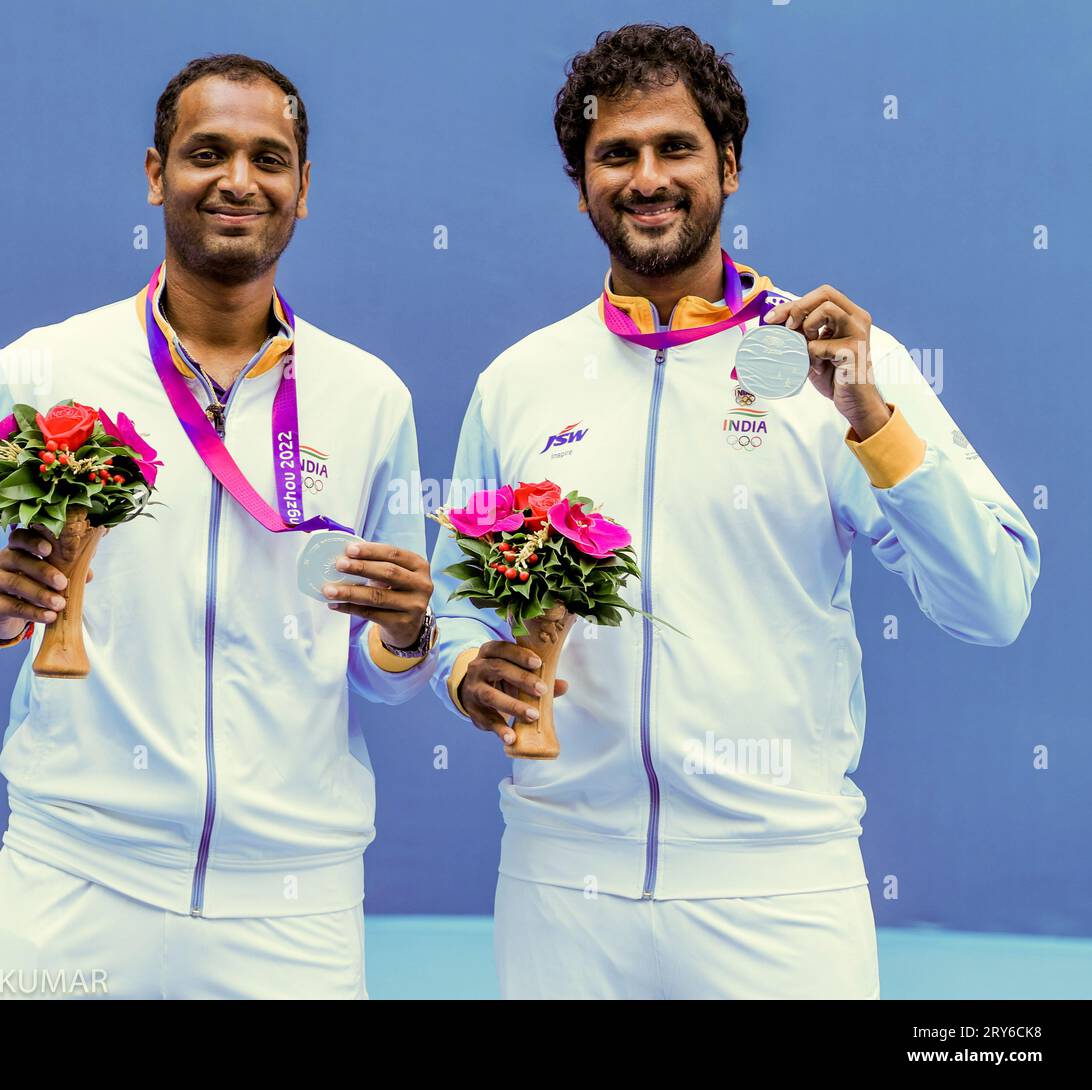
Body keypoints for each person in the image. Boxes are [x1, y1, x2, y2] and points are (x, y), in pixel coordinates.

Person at [426, 23, 1039, 999]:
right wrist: (461, 668)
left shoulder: (831, 363)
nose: (645, 177)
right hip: (560, 889)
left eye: (675, 147)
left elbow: (994, 598)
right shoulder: (519, 382)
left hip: (780, 893)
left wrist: (869, 418)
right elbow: (457, 606)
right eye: (613, 154)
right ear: (580, 182)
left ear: (730, 165)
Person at [0, 53, 438, 999]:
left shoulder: (371, 396)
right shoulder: (47, 368)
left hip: (293, 902)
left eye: (269, 159)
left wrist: (402, 636)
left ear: (302, 190)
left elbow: (377, 675)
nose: (237, 180)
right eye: (205, 152)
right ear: (154, 174)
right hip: (74, 877)